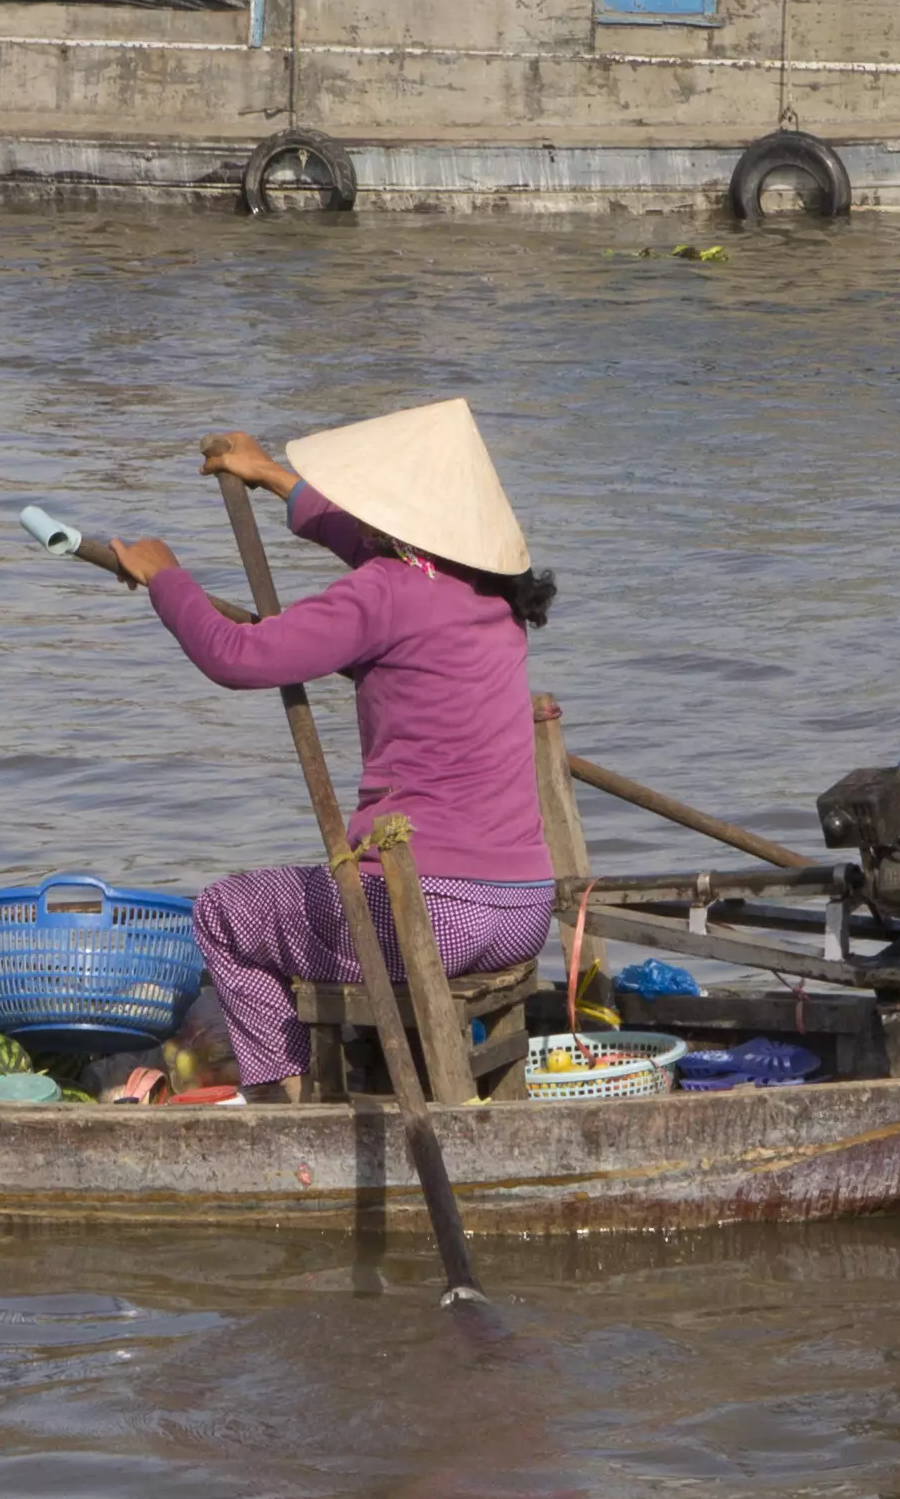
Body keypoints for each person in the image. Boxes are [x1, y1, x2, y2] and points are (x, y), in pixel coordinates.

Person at [94, 402, 560, 1103]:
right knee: (308, 907)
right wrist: (272, 478)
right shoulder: (493, 597)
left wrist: (167, 579)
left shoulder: (385, 593)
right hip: (523, 909)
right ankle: (350, 1072)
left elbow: (236, 656)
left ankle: (284, 1101)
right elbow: (371, 546)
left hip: (430, 918)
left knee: (227, 912)